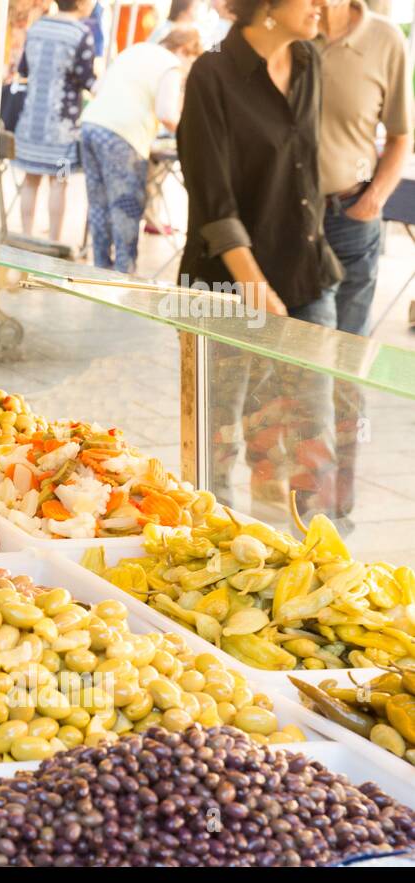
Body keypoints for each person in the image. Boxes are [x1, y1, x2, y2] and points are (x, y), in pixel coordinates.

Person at [178, 0, 343, 518]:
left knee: (311, 436)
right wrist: (256, 287)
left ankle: (316, 564)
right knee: (217, 439)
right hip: (227, 284)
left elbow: (303, 171)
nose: (324, 6)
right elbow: (213, 198)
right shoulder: (212, 73)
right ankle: (212, 554)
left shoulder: (309, 62)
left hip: (306, 275)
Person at [317, 0, 411, 516]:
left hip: (350, 218)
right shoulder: (289, 29)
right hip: (285, 226)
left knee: (345, 361)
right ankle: (296, 481)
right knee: (289, 362)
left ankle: (339, 491)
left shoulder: (384, 39)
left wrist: (373, 199)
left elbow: (400, 136)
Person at [80, 27, 202, 273]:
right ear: (184, 51)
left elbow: (96, 89)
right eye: (192, 60)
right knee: (125, 206)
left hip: (91, 124)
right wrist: (191, 134)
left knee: (98, 204)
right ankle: (125, 274)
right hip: (123, 135)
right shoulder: (170, 65)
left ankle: (99, 269)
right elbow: (166, 113)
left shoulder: (134, 49)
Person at [14, 0, 97, 242]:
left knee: (30, 181)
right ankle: (53, 241)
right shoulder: (81, 33)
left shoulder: (37, 27)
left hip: (30, 125)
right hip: (62, 129)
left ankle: (26, 237)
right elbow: (86, 79)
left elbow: (24, 69)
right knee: (59, 182)